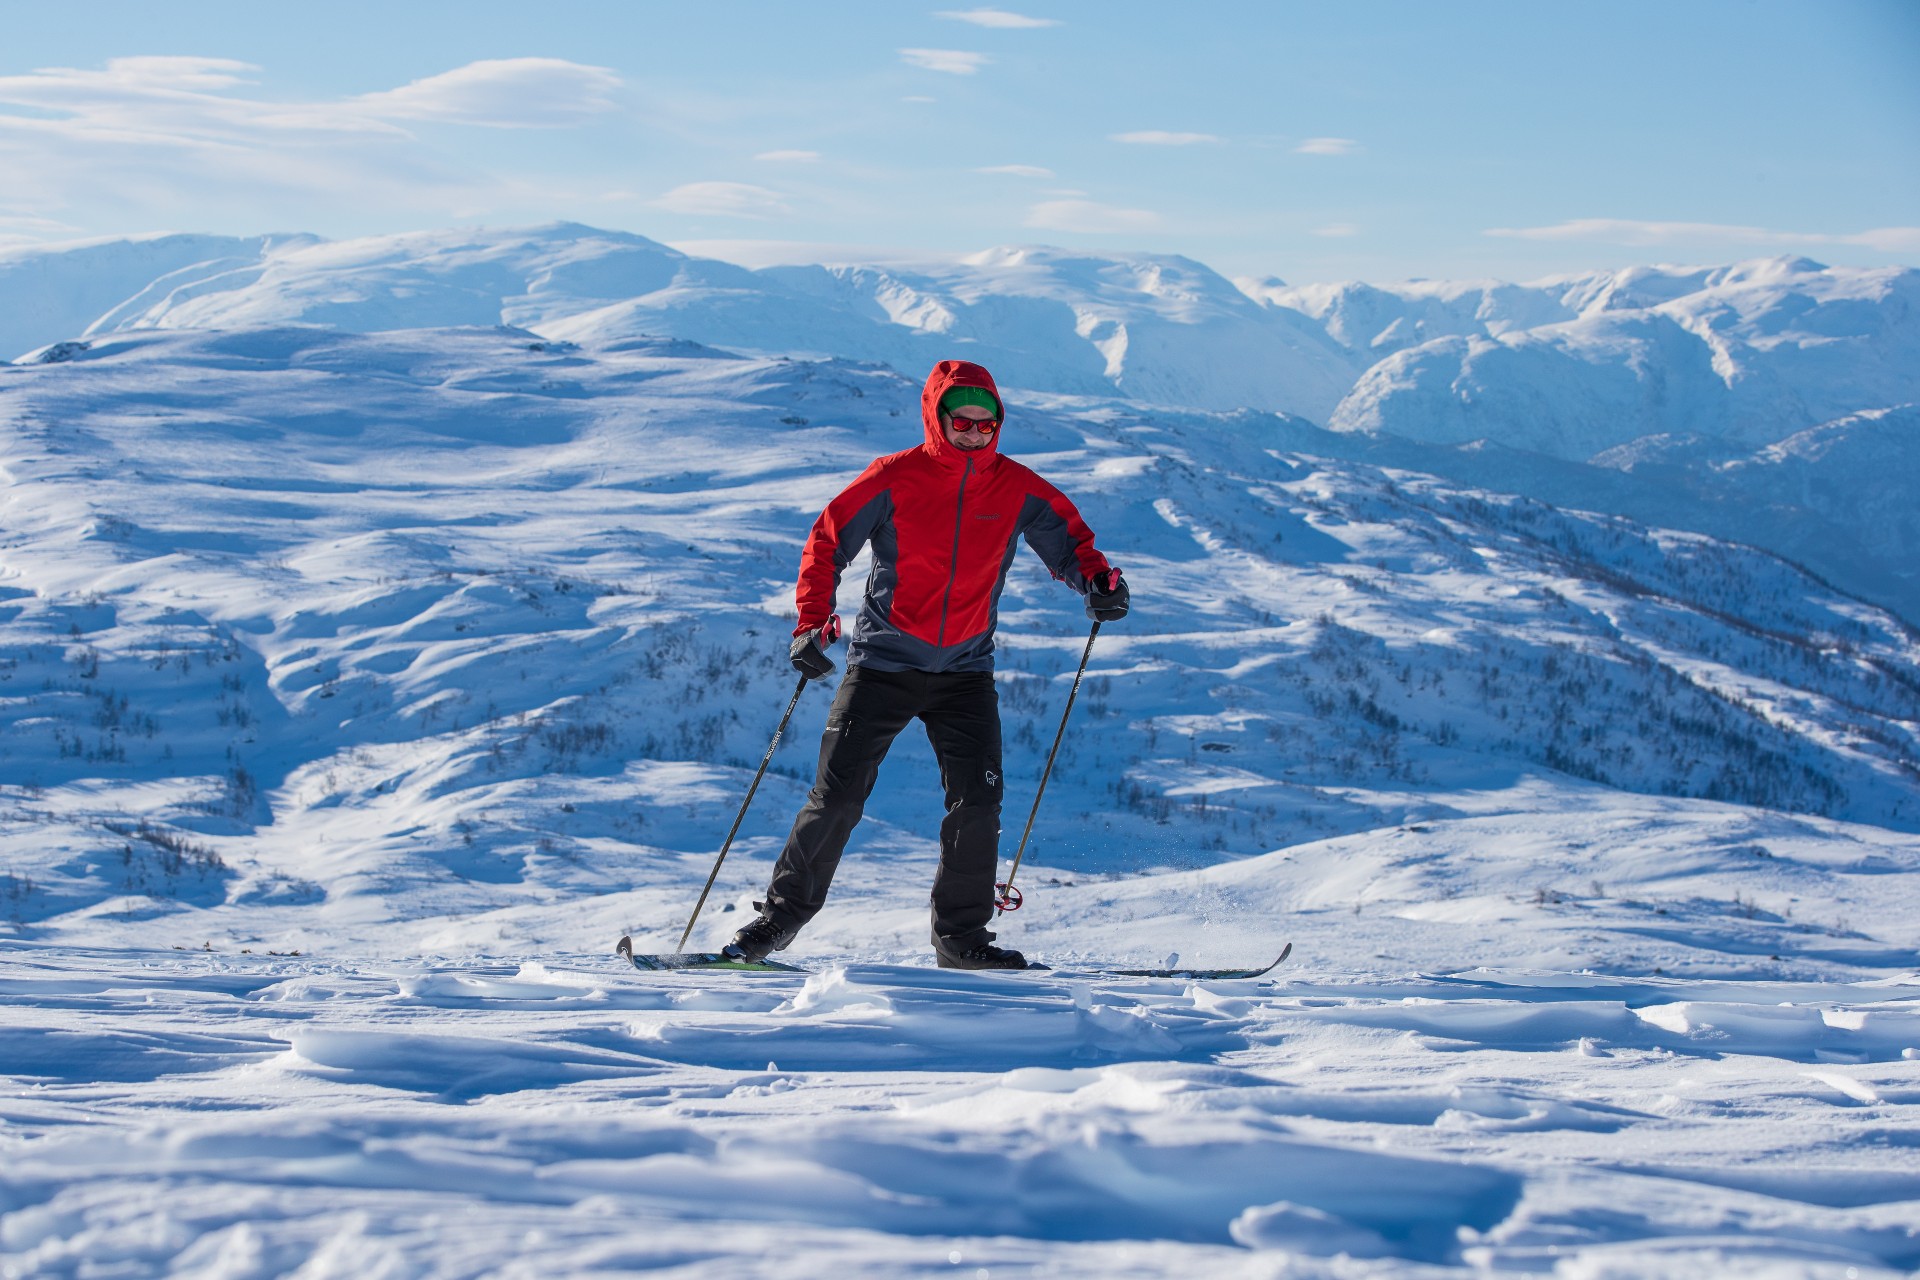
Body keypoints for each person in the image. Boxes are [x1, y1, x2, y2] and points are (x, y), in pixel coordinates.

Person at [723, 359, 1129, 969]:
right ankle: (775, 924)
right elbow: (827, 541)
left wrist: (1097, 582)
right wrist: (811, 621)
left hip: (966, 671)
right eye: (961, 421)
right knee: (837, 798)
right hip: (882, 664)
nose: (974, 433)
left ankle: (962, 941)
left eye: (986, 424)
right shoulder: (894, 477)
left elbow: (1071, 544)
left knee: (978, 804)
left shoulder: (1018, 488)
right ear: (937, 418)